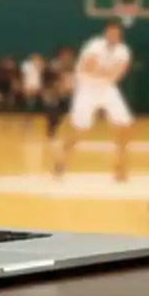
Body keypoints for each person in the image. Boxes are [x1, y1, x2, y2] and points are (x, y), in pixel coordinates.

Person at [56, 20, 134, 181]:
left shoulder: (123, 51)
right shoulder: (94, 45)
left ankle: (120, 167)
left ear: (120, 35)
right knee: (80, 129)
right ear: (105, 33)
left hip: (107, 89)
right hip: (87, 88)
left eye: (116, 33)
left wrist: (102, 71)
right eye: (110, 32)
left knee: (125, 126)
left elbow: (115, 75)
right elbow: (88, 67)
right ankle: (61, 160)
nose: (113, 35)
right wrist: (105, 71)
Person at [42, 47, 75, 141]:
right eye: (66, 55)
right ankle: (51, 132)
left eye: (69, 55)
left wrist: (68, 88)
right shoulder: (54, 64)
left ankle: (52, 130)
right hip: (51, 93)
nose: (68, 57)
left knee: (61, 113)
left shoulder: (71, 66)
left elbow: (70, 80)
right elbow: (49, 78)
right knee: (53, 112)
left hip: (62, 94)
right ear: (61, 55)